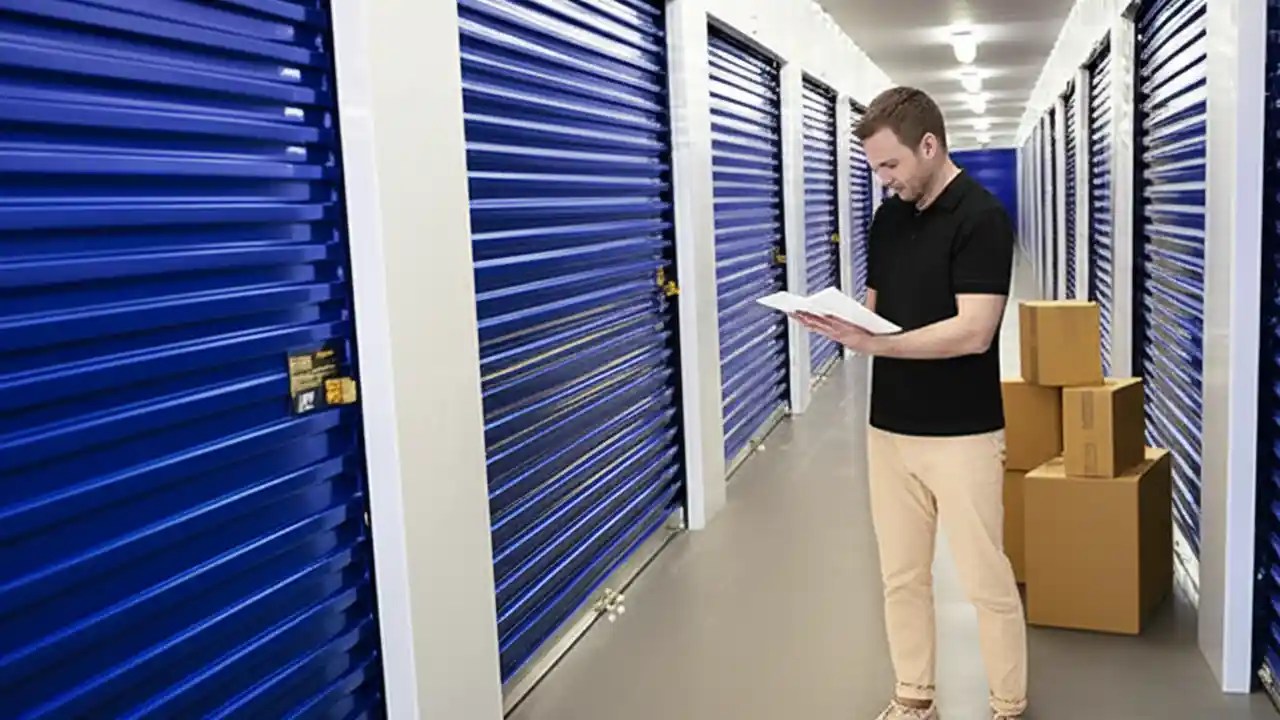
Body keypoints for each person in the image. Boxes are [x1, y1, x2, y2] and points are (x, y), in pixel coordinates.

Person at [795, 87, 1026, 720]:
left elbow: (974, 331)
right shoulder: (888, 217)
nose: (883, 179)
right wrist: (840, 320)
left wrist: (875, 345)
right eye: (875, 167)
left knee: (985, 580)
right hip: (889, 429)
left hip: (963, 433)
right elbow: (878, 306)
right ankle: (913, 697)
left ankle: (1007, 702)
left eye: (890, 165)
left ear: (930, 145)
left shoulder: (982, 217)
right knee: (902, 577)